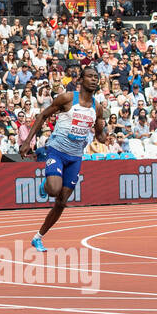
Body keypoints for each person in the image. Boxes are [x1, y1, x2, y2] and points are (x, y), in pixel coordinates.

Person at [19, 65, 109, 253]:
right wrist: (28, 141)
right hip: (57, 151)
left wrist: (104, 133)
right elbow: (43, 114)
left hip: (75, 157)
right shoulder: (67, 98)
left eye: (96, 77)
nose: (94, 80)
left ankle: (38, 237)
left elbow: (100, 135)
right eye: (90, 76)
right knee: (53, 189)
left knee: (61, 202)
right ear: (81, 80)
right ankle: (44, 185)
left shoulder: (97, 108)